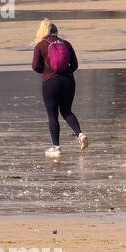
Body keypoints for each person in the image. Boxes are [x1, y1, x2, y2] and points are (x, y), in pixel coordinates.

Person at [32, 19, 88, 158]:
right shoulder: (67, 44)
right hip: (68, 81)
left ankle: (56, 147)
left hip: (51, 82)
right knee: (67, 111)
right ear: (57, 32)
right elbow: (74, 65)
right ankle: (80, 134)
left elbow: (35, 66)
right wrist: (65, 71)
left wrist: (46, 70)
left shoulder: (41, 45)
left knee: (52, 115)